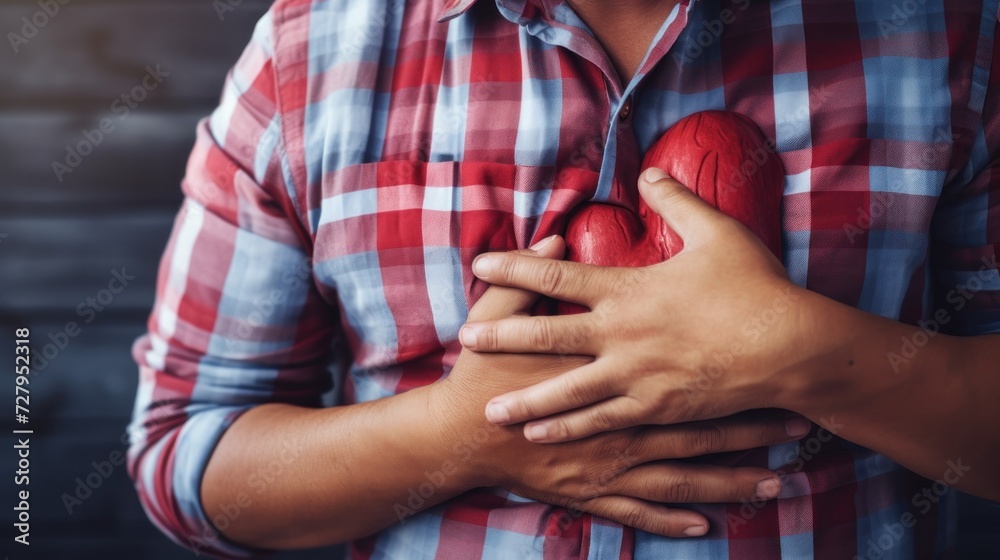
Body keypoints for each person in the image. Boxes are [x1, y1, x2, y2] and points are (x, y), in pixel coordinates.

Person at [127, 0, 1000, 558]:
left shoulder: (955, 37)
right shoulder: (308, 53)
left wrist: (807, 357)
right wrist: (453, 438)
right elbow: (185, 455)